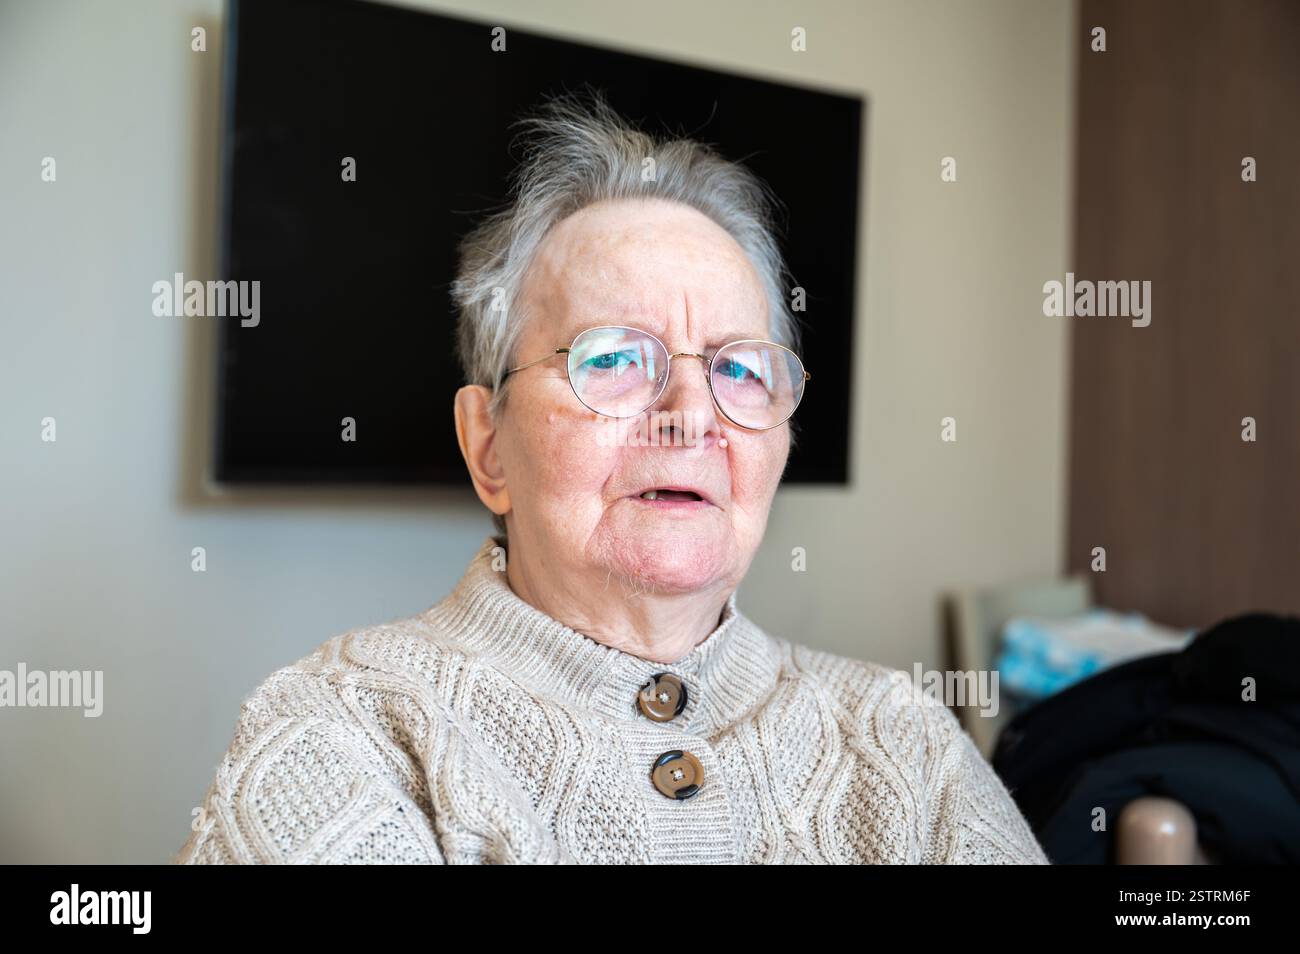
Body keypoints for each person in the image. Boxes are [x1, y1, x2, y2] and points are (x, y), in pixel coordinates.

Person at [176, 92, 1048, 864]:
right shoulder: (345, 736)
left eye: (740, 370)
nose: (691, 412)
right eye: (615, 357)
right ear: (488, 445)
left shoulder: (904, 740)